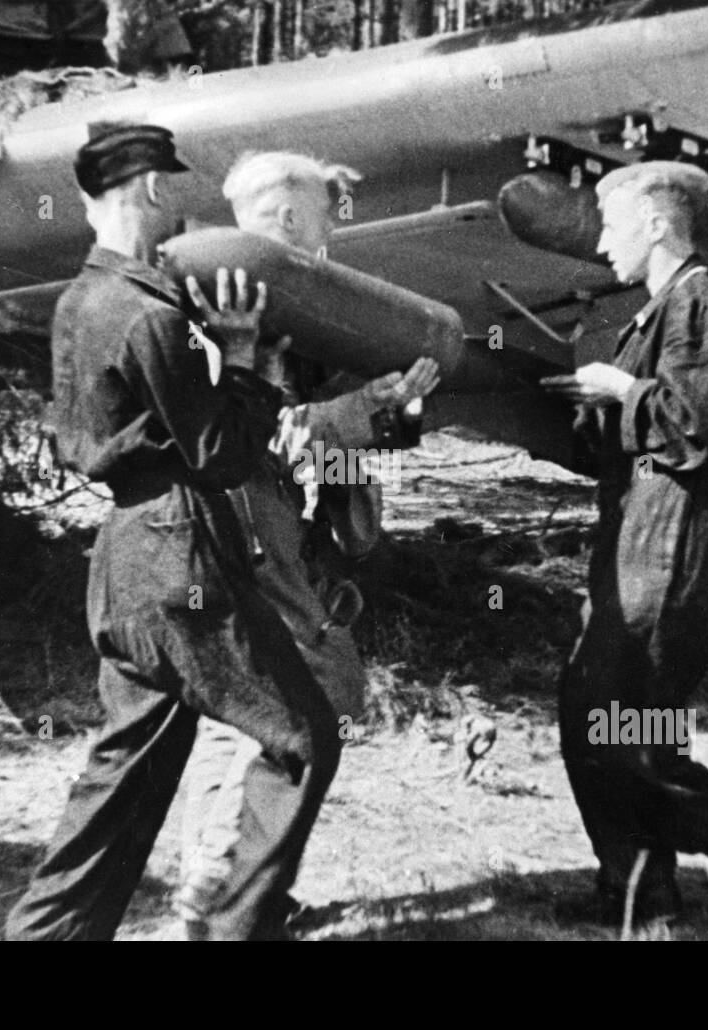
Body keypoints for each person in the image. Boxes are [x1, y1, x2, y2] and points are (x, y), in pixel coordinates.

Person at [6, 123, 341, 941]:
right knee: (304, 739)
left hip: (121, 557)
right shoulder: (147, 313)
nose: (183, 203)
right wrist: (247, 360)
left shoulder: (79, 301)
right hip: (179, 555)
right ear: (152, 189)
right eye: (175, 187)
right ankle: (238, 929)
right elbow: (221, 455)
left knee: (125, 774)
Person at [176, 151, 440, 938]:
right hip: (237, 531)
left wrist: (397, 413)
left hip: (278, 537)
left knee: (256, 707)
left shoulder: (285, 315)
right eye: (324, 222)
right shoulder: (224, 307)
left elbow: (322, 441)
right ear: (290, 219)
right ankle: (217, 883)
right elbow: (268, 436)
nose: (329, 242)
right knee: (271, 704)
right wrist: (363, 407)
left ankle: (236, 883)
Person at [541, 161, 708, 938]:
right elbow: (641, 430)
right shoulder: (652, 317)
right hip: (635, 528)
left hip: (674, 535)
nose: (602, 244)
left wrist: (623, 391)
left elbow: (701, 427)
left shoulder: (700, 300)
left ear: (655, 224)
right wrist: (591, 408)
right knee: (590, 714)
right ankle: (641, 890)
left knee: (627, 719)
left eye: (612, 225)